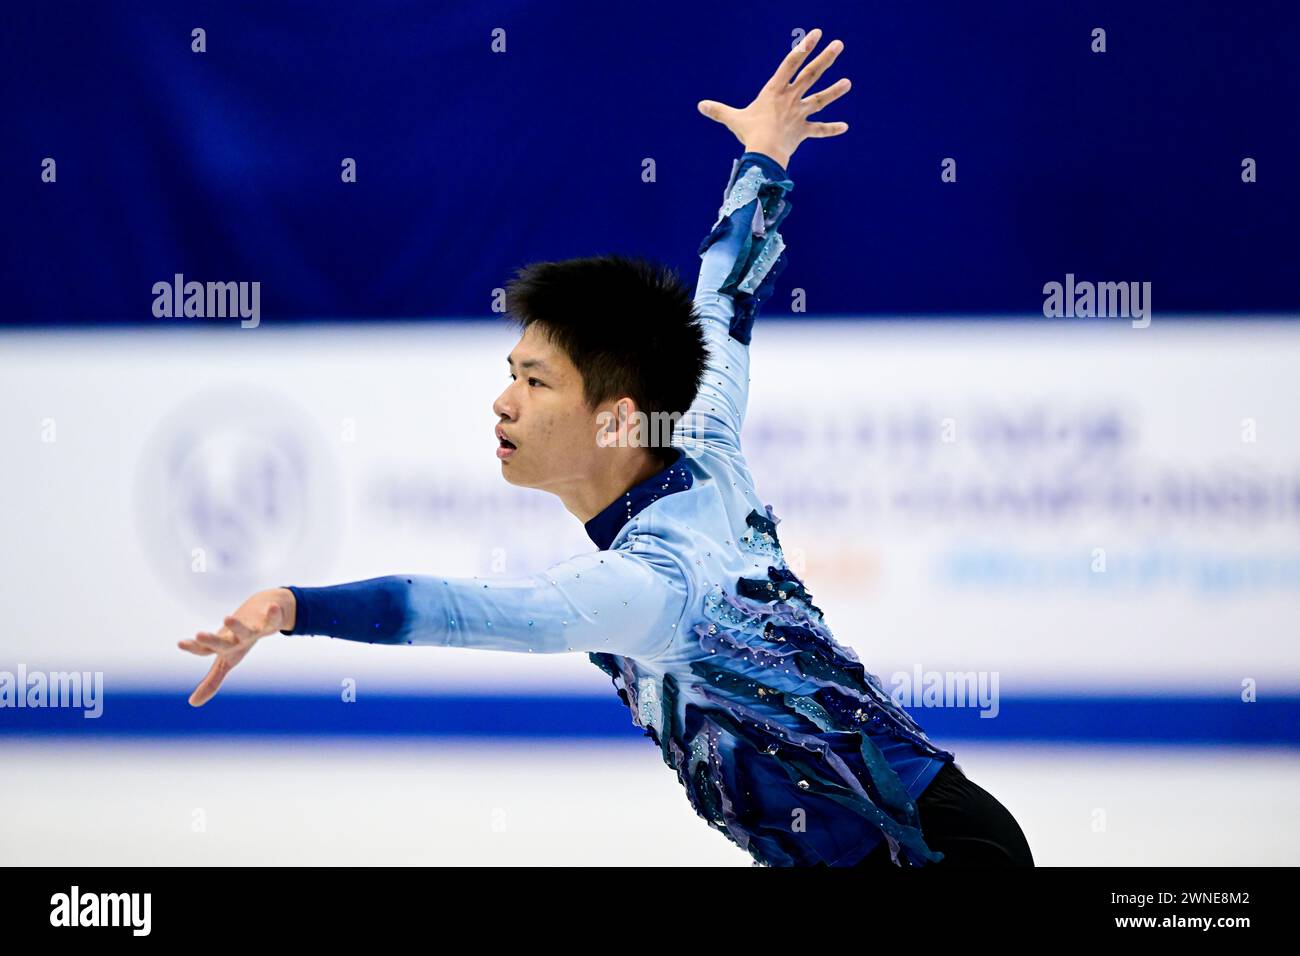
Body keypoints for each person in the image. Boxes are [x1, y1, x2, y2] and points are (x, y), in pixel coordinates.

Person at [179, 28, 1032, 868]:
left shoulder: (651, 585)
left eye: (537, 382)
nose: (503, 401)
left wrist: (296, 606)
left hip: (929, 852)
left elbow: (467, 611)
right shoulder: (702, 437)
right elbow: (725, 291)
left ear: (617, 418)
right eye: (511, 372)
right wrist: (764, 155)